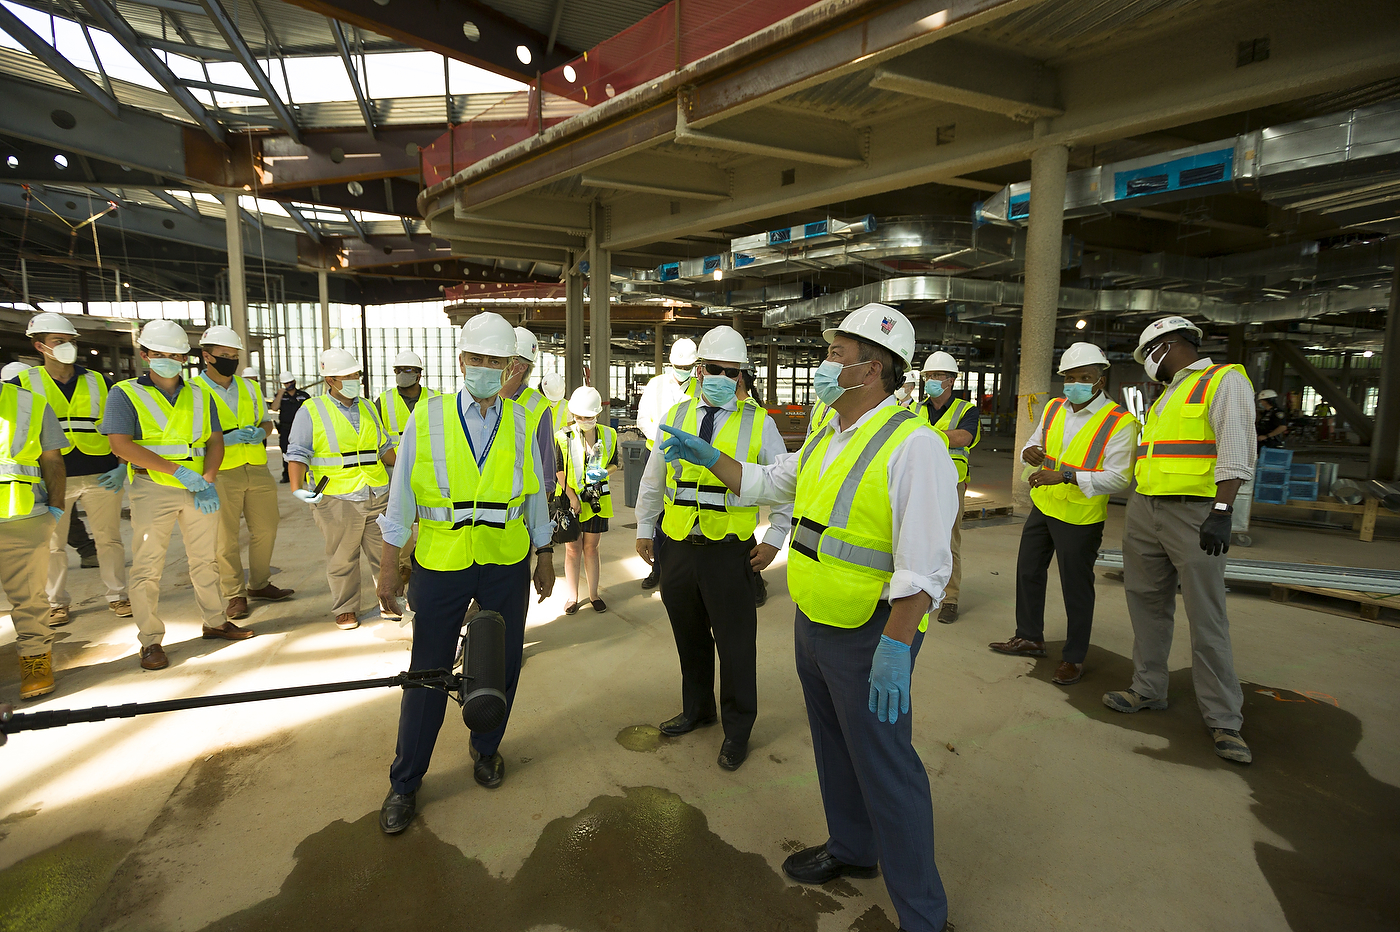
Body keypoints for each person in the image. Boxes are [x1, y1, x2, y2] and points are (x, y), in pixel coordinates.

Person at [656, 303, 956, 932]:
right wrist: (706, 456)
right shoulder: (828, 429)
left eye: (836, 355)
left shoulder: (915, 445)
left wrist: (897, 646)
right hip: (815, 618)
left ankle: (924, 916)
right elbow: (770, 482)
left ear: (870, 370)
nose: (823, 364)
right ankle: (852, 849)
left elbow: (926, 567)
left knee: (888, 769)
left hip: (873, 634)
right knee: (834, 748)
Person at [374, 312, 556, 834]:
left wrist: (543, 554)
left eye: (494, 362)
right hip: (441, 563)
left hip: (504, 563)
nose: (483, 368)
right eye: (475, 359)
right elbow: (401, 498)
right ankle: (406, 781)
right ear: (461, 361)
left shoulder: (522, 422)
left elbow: (535, 495)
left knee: (500, 668)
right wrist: (390, 568)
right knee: (427, 673)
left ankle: (486, 749)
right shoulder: (425, 418)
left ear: (507, 368)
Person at [636, 324, 793, 773]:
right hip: (679, 545)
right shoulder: (679, 415)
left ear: (741, 375)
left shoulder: (760, 423)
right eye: (717, 369)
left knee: (736, 643)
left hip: (729, 551)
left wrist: (775, 539)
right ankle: (698, 709)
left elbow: (785, 486)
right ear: (700, 371)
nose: (725, 377)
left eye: (734, 371)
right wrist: (646, 527)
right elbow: (654, 476)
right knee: (689, 636)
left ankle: (738, 730)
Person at [1103, 316, 1256, 765]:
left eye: (1148, 354)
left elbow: (1236, 446)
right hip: (1146, 510)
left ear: (1168, 345)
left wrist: (1223, 510)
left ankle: (1225, 719)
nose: (1147, 364)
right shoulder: (1166, 395)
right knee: (1146, 602)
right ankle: (1149, 689)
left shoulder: (1223, 381)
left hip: (1195, 512)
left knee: (1206, 615)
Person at [989, 342, 1137, 685]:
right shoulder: (1055, 407)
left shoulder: (1120, 422)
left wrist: (1067, 475)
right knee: (1028, 572)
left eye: (1084, 377)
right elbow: (1032, 443)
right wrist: (1030, 453)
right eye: (1070, 377)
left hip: (1080, 517)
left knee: (1076, 588)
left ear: (1099, 380)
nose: (1076, 383)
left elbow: (1119, 477)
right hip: (1044, 506)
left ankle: (1074, 657)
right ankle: (1029, 637)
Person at [101, 320, 234, 670]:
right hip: (152, 487)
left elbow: (214, 440)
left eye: (175, 355)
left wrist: (207, 477)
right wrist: (179, 472)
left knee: (206, 559)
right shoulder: (124, 393)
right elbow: (120, 444)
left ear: (185, 357)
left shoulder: (201, 394)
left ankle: (216, 621)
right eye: (160, 354)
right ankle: (150, 641)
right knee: (147, 566)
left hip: (198, 486)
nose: (168, 360)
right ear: (145, 355)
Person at [18, 312, 130, 627]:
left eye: (69, 340)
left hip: (101, 471)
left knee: (109, 539)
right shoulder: (23, 383)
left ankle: (118, 595)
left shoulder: (99, 381)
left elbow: (121, 427)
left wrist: (123, 465)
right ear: (40, 346)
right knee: (52, 544)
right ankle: (56, 603)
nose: (66, 346)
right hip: (52, 476)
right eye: (58, 341)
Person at [286, 348, 396, 630]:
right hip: (338, 495)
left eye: (356, 375)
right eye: (347, 376)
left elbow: (383, 448)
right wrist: (297, 487)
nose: (355, 381)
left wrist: (410, 468)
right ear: (330, 380)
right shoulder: (311, 410)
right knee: (342, 556)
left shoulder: (369, 407)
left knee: (383, 552)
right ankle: (346, 608)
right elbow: (298, 452)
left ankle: (390, 600)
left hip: (376, 491)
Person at [194, 326, 293, 624]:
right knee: (225, 537)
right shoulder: (194, 391)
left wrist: (257, 432)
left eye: (234, 355)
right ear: (206, 356)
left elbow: (266, 424)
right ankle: (234, 593)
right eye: (224, 355)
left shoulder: (249, 387)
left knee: (266, 528)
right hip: (221, 470)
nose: (231, 360)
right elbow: (191, 435)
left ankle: (259, 583)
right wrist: (226, 439)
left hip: (256, 465)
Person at [3, 375, 67, 699]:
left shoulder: (29, 403)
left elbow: (52, 459)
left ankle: (35, 660)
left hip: (22, 516)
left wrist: (55, 507)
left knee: (29, 596)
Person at [917, 351, 980, 624]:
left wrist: (926, 435)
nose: (932, 380)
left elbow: (964, 437)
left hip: (950, 484)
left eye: (938, 375)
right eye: (929, 376)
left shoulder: (966, 410)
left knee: (948, 541)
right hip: (918, 480)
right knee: (914, 537)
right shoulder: (915, 409)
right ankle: (917, 591)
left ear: (951, 380)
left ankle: (949, 598)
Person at [635, 337, 700, 591]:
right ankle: (657, 569)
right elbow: (643, 419)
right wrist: (664, 440)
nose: (683, 372)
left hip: (690, 462)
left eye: (688, 367)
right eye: (679, 366)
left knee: (682, 516)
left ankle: (680, 568)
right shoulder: (656, 385)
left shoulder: (700, 386)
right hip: (658, 457)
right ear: (670, 363)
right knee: (656, 518)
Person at [555, 386, 617, 614]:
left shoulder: (609, 434)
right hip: (572, 500)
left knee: (592, 549)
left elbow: (614, 463)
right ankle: (572, 597)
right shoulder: (563, 436)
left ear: (597, 414)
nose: (584, 420)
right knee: (572, 549)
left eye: (589, 417)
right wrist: (571, 496)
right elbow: (559, 471)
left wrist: (604, 473)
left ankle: (594, 595)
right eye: (579, 417)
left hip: (597, 499)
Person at [736, 368, 771, 608]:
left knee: (747, 544)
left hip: (743, 493)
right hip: (744, 493)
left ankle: (756, 585)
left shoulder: (751, 414)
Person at [377, 351, 437, 448]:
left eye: (407, 370)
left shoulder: (435, 398)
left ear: (419, 375)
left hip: (429, 461)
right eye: (398, 370)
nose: (401, 374)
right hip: (395, 462)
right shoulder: (383, 401)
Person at [269, 372, 309, 483]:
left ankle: (304, 474)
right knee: (286, 451)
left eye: (291, 382)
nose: (289, 385)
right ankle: (287, 475)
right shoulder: (281, 396)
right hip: (286, 428)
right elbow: (274, 408)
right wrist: (280, 394)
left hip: (301, 428)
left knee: (303, 451)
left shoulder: (303, 395)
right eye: (287, 383)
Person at [1255, 389, 1288, 453]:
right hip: (1262, 442)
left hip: (1271, 442)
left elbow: (1282, 427)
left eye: (1261, 401)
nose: (1261, 403)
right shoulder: (1266, 412)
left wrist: (1267, 436)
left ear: (1267, 401)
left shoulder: (1278, 412)